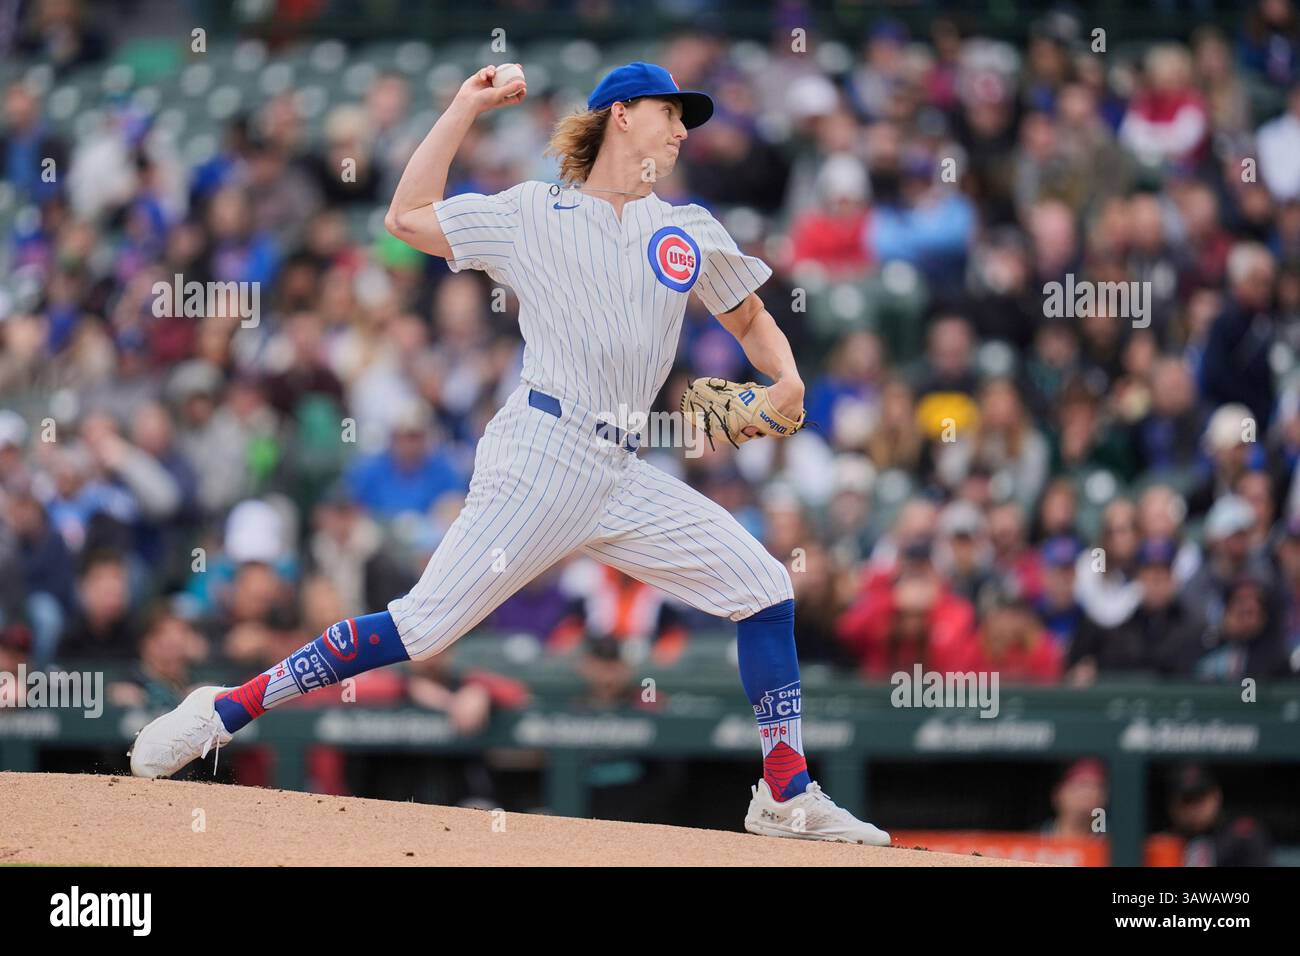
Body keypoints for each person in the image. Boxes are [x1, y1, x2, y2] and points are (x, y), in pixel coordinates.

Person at [129, 62, 890, 845]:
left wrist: (788, 378)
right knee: (422, 629)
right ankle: (224, 711)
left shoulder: (690, 227)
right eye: (670, 112)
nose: (683, 128)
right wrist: (464, 105)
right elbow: (408, 216)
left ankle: (785, 794)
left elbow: (750, 315)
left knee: (764, 588)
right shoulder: (535, 210)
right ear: (621, 115)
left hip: (623, 470)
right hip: (541, 452)